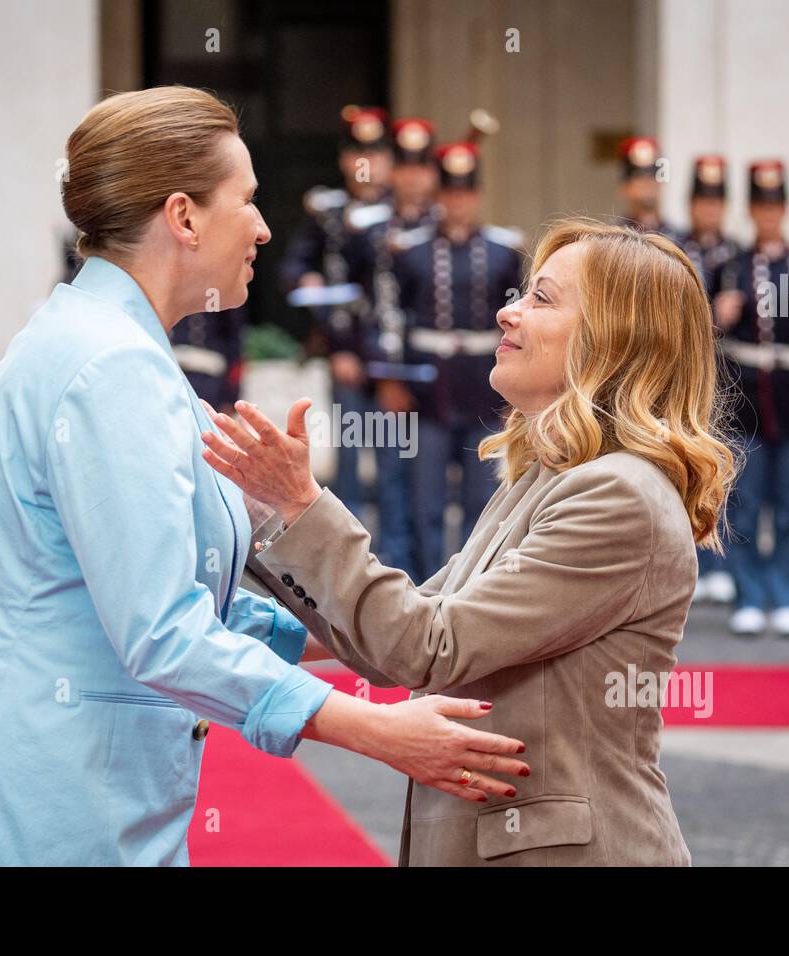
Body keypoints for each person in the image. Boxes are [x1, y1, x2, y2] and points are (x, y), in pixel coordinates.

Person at [0, 87, 528, 867]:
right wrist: (377, 729)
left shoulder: (118, 349)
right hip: (31, 808)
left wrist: (379, 637)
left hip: (68, 794)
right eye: (246, 200)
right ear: (182, 218)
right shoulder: (110, 367)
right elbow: (162, 632)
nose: (263, 226)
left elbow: (176, 602)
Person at [202, 217, 734, 866]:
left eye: (541, 298)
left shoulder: (616, 495)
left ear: (616, 340)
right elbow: (394, 633)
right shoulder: (553, 473)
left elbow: (425, 646)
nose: (509, 314)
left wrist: (298, 505)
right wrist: (245, 579)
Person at [710, 160, 789, 637]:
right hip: (744, 402)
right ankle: (748, 594)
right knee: (744, 501)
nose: (768, 215)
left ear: (785, 209)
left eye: (775, 206)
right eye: (760, 207)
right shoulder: (729, 267)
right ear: (751, 211)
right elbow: (706, 342)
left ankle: (785, 595)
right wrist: (716, 315)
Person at [392, 141, 525, 580]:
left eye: (466, 194)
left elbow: (519, 324)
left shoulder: (505, 251)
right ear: (440, 196)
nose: (458, 202)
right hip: (428, 386)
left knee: (481, 497)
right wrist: (393, 376)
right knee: (425, 498)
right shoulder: (411, 252)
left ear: (477, 196)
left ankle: (473, 586)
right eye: (451, 193)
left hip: (484, 386)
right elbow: (397, 320)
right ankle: (429, 584)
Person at [280, 105, 393, 517]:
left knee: (397, 460)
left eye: (377, 154)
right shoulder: (329, 212)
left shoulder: (404, 213)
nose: (368, 164)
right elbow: (294, 265)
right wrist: (305, 279)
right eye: (360, 155)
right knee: (348, 464)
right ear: (347, 160)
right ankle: (348, 557)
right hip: (345, 352)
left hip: (394, 359)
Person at [343, 116, 442, 578]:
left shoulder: (447, 228)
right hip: (388, 369)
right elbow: (363, 304)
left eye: (423, 168)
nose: (414, 178)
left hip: (440, 374)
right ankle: (399, 574)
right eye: (405, 167)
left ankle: (441, 574)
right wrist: (381, 369)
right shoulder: (369, 230)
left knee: (433, 484)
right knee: (391, 474)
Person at [678, 155, 741, 606]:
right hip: (683, 373)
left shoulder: (738, 254)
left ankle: (721, 564)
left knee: (722, 469)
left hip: (727, 376)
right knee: (684, 468)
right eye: (703, 201)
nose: (710, 210)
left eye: (717, 202)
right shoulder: (676, 248)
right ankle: (690, 561)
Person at [614, 136, 680, 240]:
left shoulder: (679, 239)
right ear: (625, 187)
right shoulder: (613, 238)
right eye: (639, 176)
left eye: (653, 175)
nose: (648, 182)